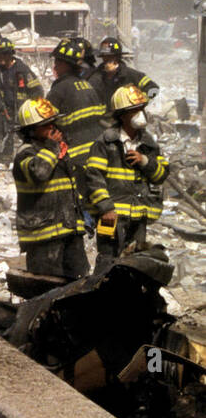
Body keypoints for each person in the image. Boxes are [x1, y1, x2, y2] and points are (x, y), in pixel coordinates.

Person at [84, 85, 170, 271]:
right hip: (111, 215)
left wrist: (145, 161)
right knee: (108, 264)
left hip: (138, 216)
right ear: (122, 115)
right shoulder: (105, 143)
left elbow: (161, 176)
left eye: (141, 109)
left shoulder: (149, 144)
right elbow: (94, 178)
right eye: (134, 110)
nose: (140, 114)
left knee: (135, 265)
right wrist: (106, 207)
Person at [12, 98, 89, 282]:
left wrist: (82, 219)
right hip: (43, 236)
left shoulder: (56, 151)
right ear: (31, 129)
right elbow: (39, 173)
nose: (52, 128)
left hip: (69, 231)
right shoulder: (25, 154)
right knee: (46, 287)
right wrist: (52, 147)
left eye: (53, 123)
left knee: (78, 284)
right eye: (46, 125)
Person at [45, 38, 106, 166]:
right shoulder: (87, 85)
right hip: (98, 151)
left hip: (76, 155)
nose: (55, 66)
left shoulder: (60, 89)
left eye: (57, 61)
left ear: (66, 64)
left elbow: (44, 123)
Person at [0, 37, 43, 161]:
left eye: (0, 55)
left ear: (8, 55)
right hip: (3, 109)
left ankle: (23, 159)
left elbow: (37, 91)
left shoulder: (22, 70)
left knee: (21, 137)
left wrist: (32, 110)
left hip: (21, 111)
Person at [91, 36, 159, 110]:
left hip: (127, 114)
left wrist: (142, 98)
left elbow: (154, 89)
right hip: (104, 116)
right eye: (104, 57)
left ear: (117, 57)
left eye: (110, 57)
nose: (107, 61)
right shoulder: (96, 77)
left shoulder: (130, 74)